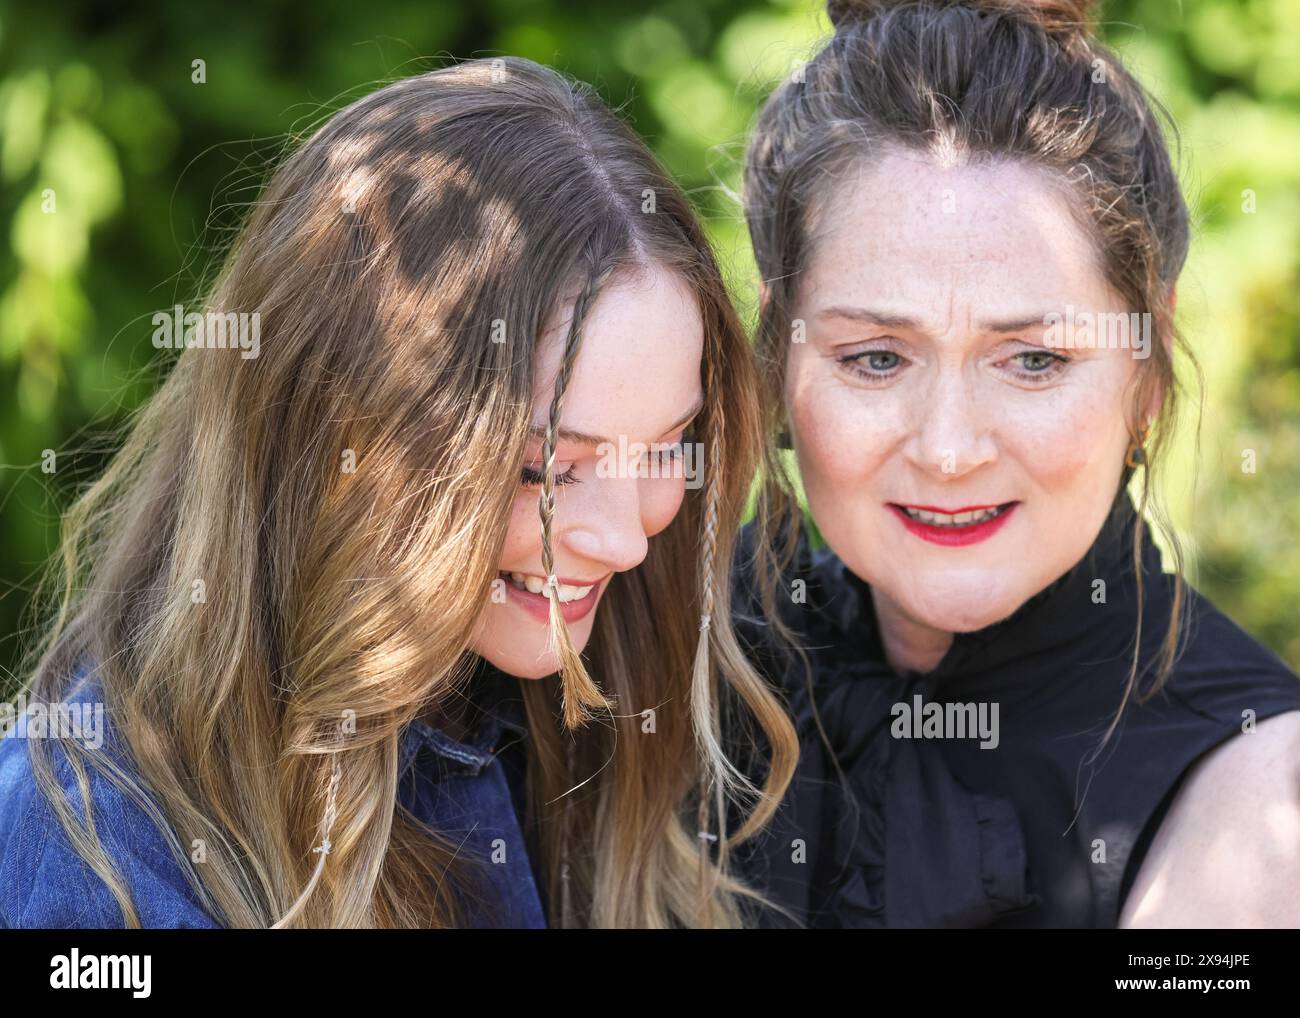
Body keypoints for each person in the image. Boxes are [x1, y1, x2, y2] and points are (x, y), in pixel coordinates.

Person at [0, 57, 801, 929]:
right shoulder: (94, 849)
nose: (625, 541)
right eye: (545, 471)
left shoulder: (623, 682)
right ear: (338, 445)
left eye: (663, 448)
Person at [735, 0, 1300, 927]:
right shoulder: (651, 660)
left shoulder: (1262, 796)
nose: (950, 450)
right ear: (777, 351)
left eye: (1034, 360)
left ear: (1147, 370)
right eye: (876, 357)